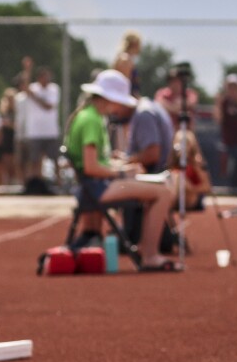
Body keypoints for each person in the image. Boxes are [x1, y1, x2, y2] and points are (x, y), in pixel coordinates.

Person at [68, 70, 182, 272]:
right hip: (97, 188)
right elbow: (91, 167)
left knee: (160, 186)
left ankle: (147, 250)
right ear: (110, 99)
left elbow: (94, 164)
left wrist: (123, 168)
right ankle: (150, 255)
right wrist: (122, 173)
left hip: (95, 185)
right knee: (163, 192)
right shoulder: (92, 120)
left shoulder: (89, 116)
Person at [19, 66, 61, 182]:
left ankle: (58, 182)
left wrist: (34, 96)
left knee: (55, 159)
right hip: (35, 131)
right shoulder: (33, 88)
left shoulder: (54, 89)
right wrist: (27, 69)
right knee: (34, 160)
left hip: (50, 131)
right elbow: (25, 86)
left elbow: (48, 106)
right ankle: (35, 181)